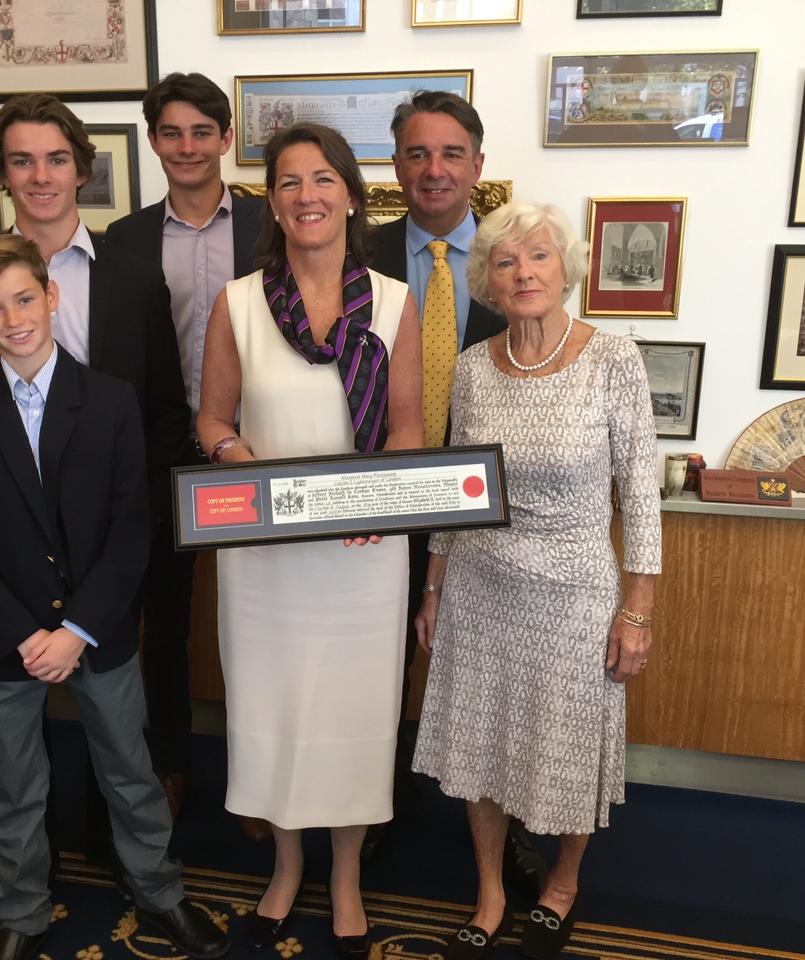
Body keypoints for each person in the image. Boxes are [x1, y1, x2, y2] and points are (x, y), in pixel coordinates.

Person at [0, 235, 228, 960]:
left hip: (98, 629)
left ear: (52, 296)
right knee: (13, 784)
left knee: (129, 770)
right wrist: (24, 634)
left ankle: (159, 890)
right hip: (10, 636)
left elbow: (130, 532)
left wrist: (78, 630)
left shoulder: (110, 401)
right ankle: (21, 908)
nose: (14, 319)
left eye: (25, 299)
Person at [0, 93, 190, 864]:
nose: (40, 176)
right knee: (14, 756)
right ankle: (26, 887)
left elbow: (165, 414)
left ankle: (135, 864)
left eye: (57, 158)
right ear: (1, 174)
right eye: (21, 160)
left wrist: (134, 547)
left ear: (82, 168)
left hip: (113, 556)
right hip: (7, 561)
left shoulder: (135, 280)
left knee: (122, 737)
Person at [196, 123, 423, 958]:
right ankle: (287, 866)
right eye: (288, 182)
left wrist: (373, 499)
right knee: (274, 708)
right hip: (264, 556)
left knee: (356, 715)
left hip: (362, 554)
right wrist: (244, 466)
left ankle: (349, 876)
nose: (307, 195)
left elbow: (407, 429)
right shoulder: (239, 302)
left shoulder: (395, 301)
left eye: (323, 178)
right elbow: (212, 420)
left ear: (352, 195)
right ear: (274, 203)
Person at [412, 201, 661, 960]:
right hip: (481, 592)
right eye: (507, 260)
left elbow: (641, 493)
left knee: (569, 743)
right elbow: (460, 489)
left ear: (567, 268)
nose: (524, 272)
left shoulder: (614, 358)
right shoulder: (470, 368)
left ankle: (562, 881)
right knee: (481, 746)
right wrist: (433, 587)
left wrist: (638, 609)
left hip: (576, 594)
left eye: (539, 257)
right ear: (487, 277)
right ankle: (489, 892)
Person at [366, 90, 529, 869]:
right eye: (417, 153)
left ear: (477, 165)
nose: (434, 170)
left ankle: (517, 828)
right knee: (374, 663)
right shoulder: (353, 254)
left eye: (451, 153)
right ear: (395, 163)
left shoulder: (515, 263)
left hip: (489, 515)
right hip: (379, 501)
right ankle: (368, 806)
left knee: (499, 671)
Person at [106, 72, 266, 833]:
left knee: (264, 620)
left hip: (254, 453)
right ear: (153, 142)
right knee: (164, 630)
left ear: (227, 138)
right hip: (162, 462)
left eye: (203, 132)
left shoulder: (271, 223)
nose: (188, 147)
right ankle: (169, 766)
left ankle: (264, 781)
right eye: (171, 133)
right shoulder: (125, 240)